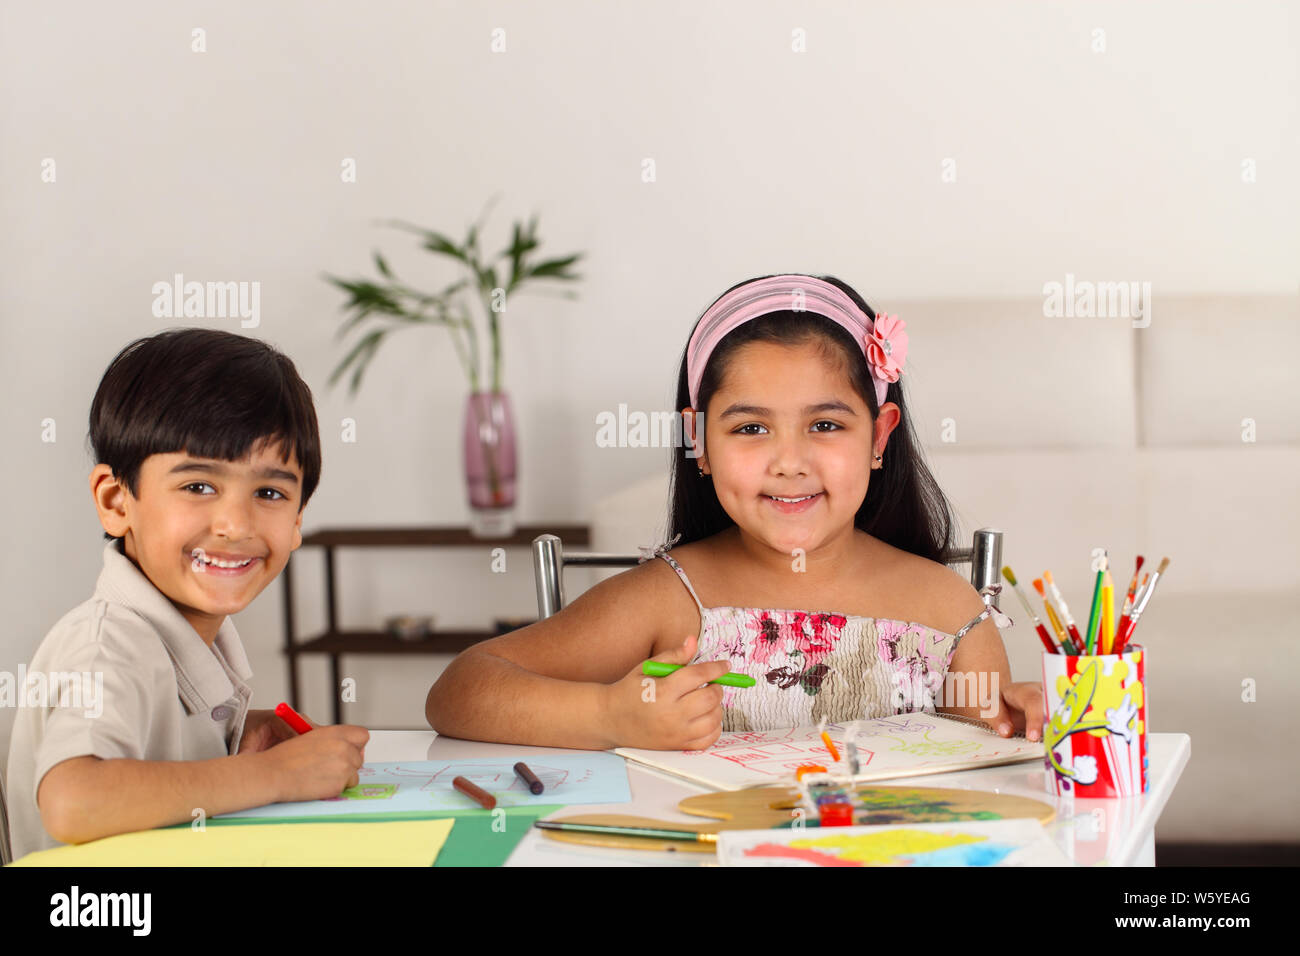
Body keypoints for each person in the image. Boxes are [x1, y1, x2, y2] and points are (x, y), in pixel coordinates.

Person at [427, 274, 1044, 751]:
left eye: (825, 424)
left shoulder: (952, 614)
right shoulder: (670, 598)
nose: (789, 461)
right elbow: (461, 690)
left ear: (880, 437)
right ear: (699, 443)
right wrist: (608, 714)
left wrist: (1013, 717)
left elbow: (976, 783)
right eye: (751, 428)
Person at [6, 328, 368, 859]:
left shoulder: (193, 641)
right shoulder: (108, 645)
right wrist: (269, 775)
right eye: (199, 485)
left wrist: (238, 743)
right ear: (115, 500)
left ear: (296, 522)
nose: (236, 524)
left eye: (269, 493)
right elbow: (74, 801)